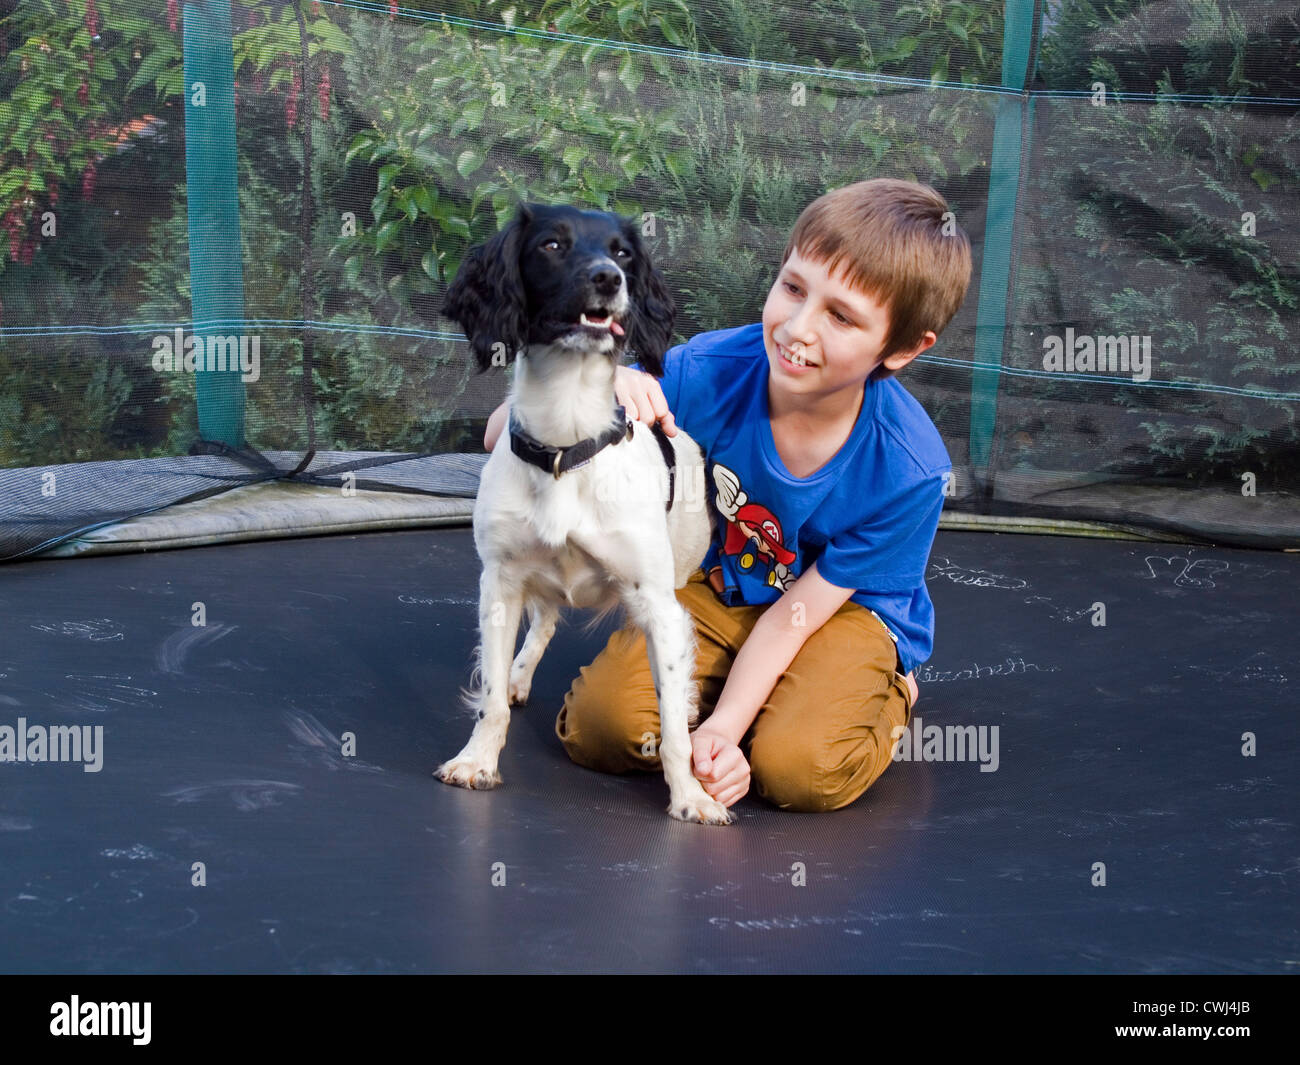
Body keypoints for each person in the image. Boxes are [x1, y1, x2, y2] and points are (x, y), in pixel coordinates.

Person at [482, 178, 972, 812]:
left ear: (903, 348)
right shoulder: (704, 371)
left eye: (841, 315)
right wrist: (613, 387)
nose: (797, 327)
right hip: (719, 587)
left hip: (836, 612)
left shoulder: (908, 467)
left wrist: (722, 728)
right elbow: (501, 439)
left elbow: (795, 617)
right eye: (793, 288)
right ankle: (749, 684)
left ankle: (884, 688)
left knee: (797, 768)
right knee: (602, 728)